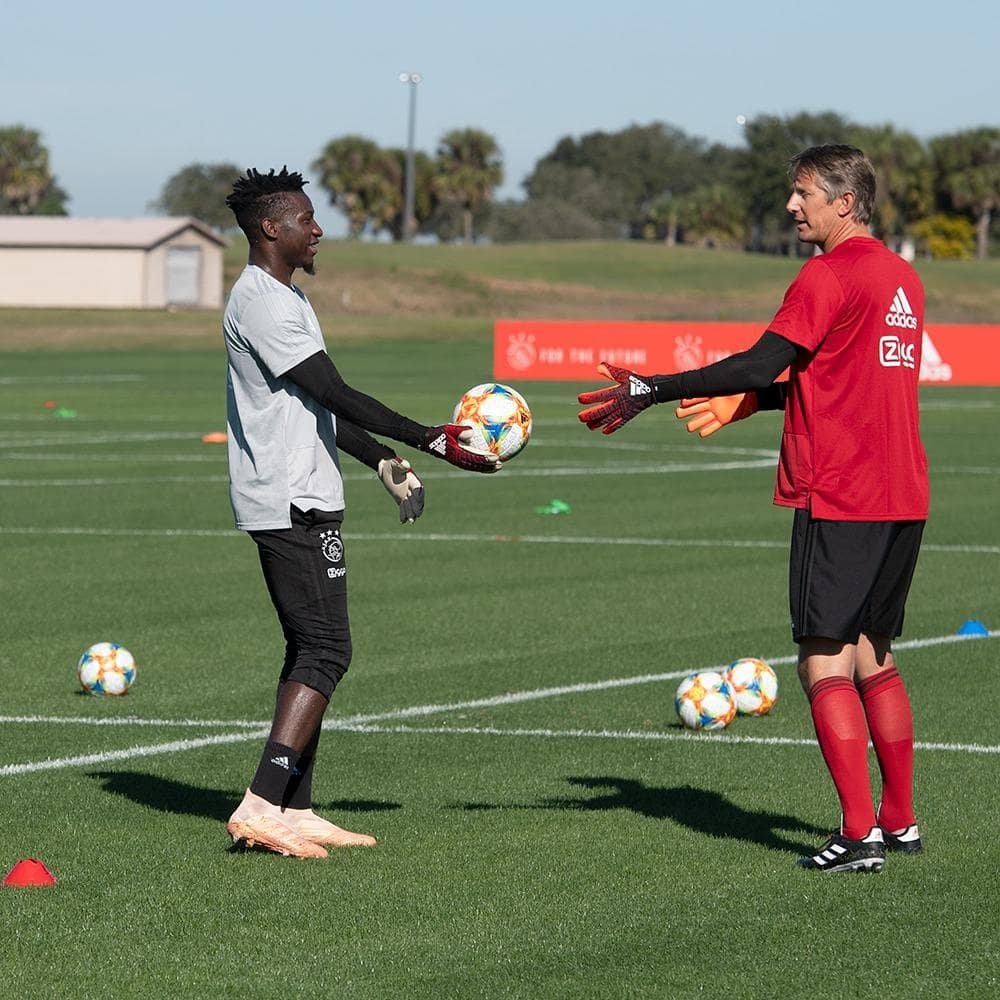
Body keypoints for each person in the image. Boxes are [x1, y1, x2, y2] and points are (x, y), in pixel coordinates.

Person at [577, 145, 928, 873]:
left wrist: (652, 387)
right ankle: (899, 822)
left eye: (804, 194)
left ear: (846, 202)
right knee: (874, 654)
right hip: (903, 492)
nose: (793, 206)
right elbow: (827, 374)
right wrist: (752, 404)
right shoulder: (902, 277)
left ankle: (859, 835)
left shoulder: (826, 273)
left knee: (822, 662)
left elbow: (760, 361)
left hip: (842, 490)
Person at [222, 167, 498, 859]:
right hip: (289, 499)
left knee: (308, 648)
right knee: (327, 648)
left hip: (304, 490)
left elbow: (317, 408)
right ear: (270, 229)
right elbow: (335, 390)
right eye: (306, 219)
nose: (319, 229)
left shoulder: (288, 297)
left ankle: (294, 805)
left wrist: (379, 461)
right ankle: (261, 800)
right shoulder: (263, 303)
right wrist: (430, 439)